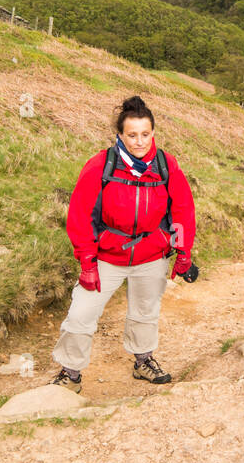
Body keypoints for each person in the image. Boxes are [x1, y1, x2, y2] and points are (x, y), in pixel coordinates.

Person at [50, 95, 198, 391]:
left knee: (145, 312)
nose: (139, 141)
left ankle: (143, 361)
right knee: (81, 314)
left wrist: (183, 252)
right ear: (120, 135)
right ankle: (70, 373)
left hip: (151, 254)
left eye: (145, 134)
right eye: (132, 135)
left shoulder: (166, 165)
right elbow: (80, 216)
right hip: (106, 257)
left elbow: (182, 209)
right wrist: (87, 261)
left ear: (152, 133)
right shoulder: (100, 165)